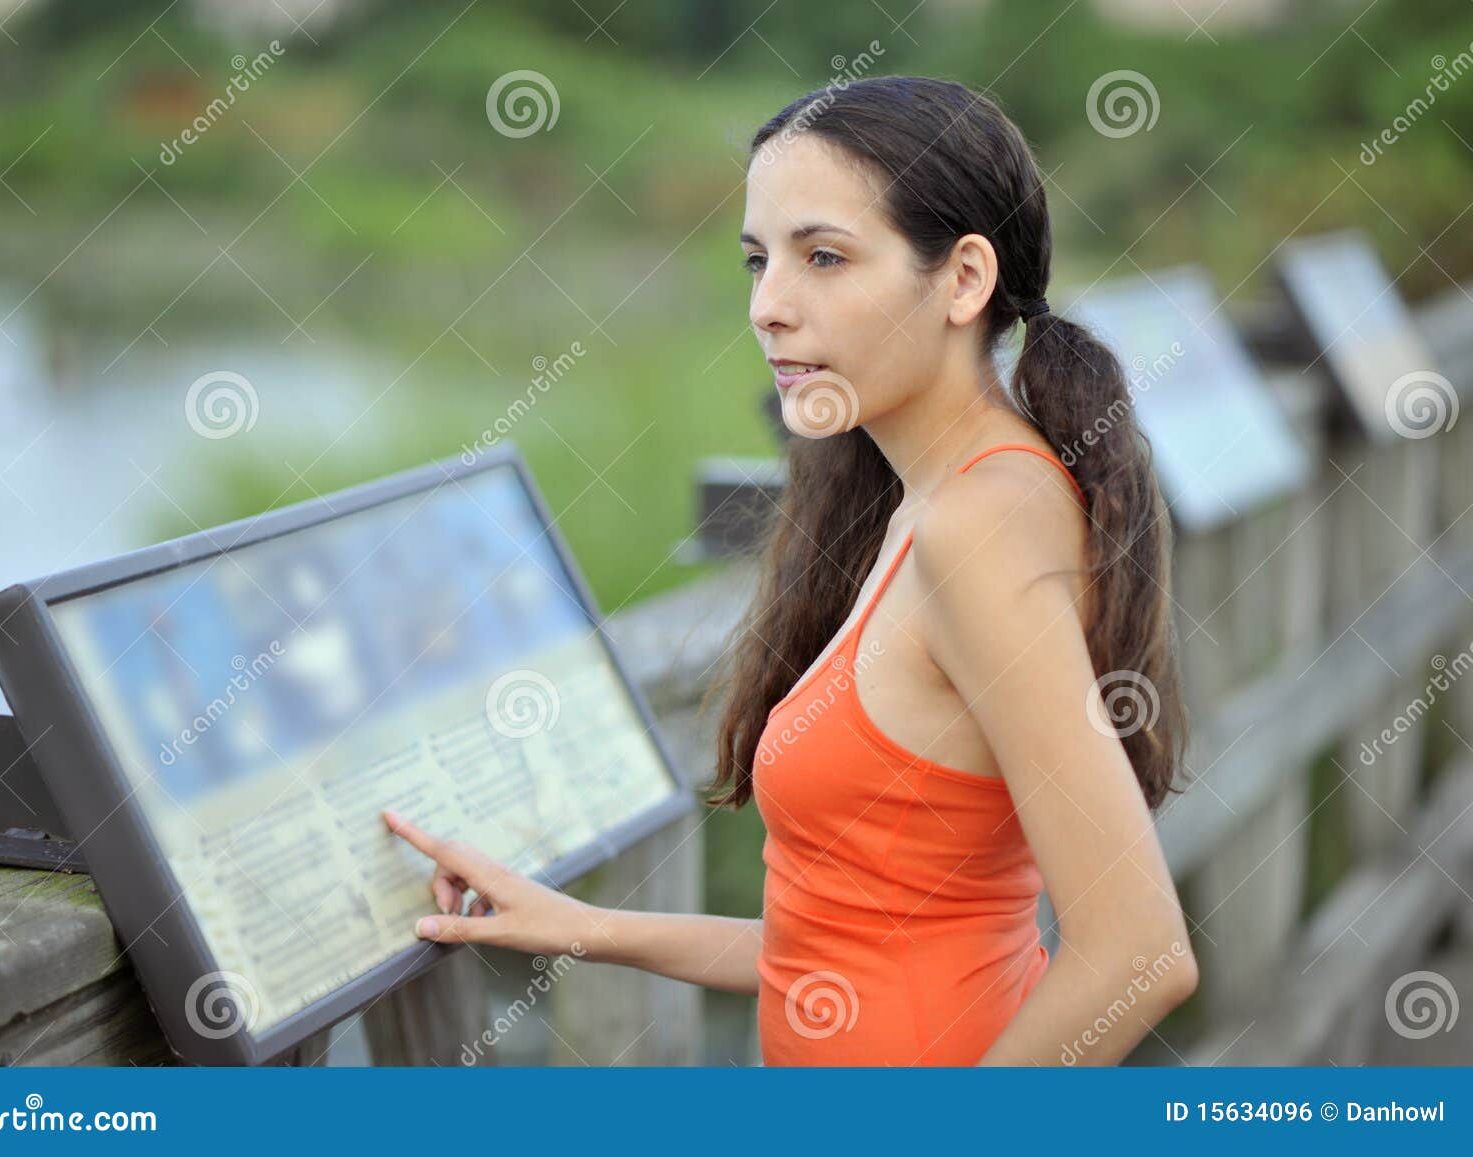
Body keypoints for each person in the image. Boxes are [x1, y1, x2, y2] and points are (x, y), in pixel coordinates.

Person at [383, 74, 1198, 1066]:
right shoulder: (932, 500)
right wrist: (575, 923)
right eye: (758, 260)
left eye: (823, 256)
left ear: (962, 278)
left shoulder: (980, 526)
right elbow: (843, 944)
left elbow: (1139, 951)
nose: (769, 307)